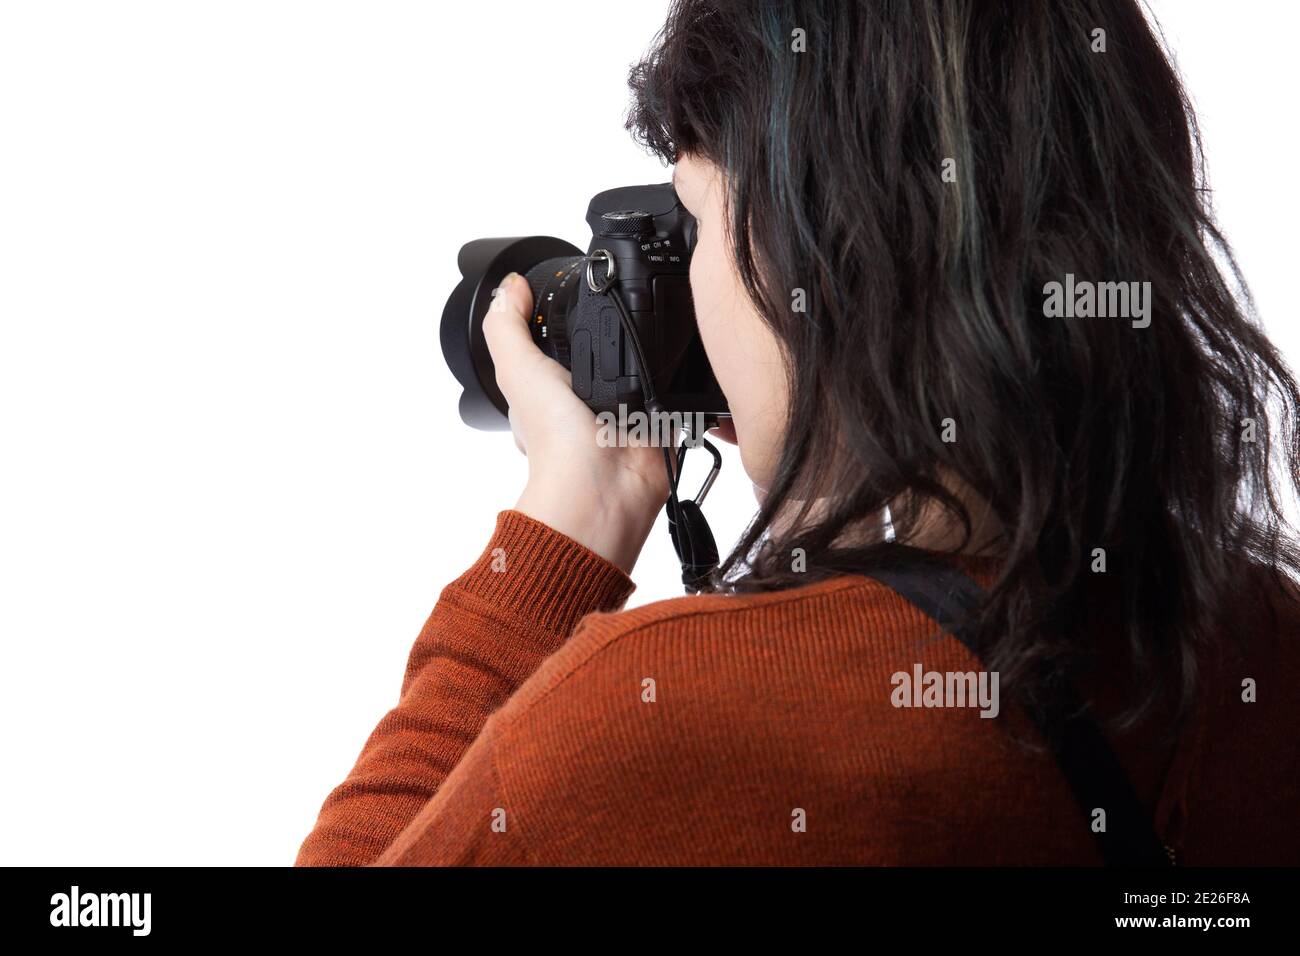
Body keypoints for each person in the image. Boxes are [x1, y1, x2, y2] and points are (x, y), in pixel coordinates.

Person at [295, 0, 1300, 866]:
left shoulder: (655, 722)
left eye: (693, 219)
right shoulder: (1259, 639)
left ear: (807, 256)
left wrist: (561, 534)